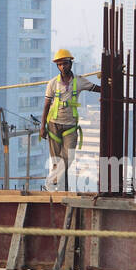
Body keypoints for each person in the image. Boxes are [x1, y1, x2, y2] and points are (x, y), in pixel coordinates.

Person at [40, 49, 99, 190]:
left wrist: (110, 83)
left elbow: (96, 88)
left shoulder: (79, 81)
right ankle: (58, 186)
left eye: (65, 64)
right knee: (56, 160)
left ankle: (54, 181)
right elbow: (47, 105)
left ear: (70, 64)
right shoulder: (53, 83)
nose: (62, 67)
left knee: (69, 157)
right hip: (54, 124)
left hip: (70, 126)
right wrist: (42, 126)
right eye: (59, 64)